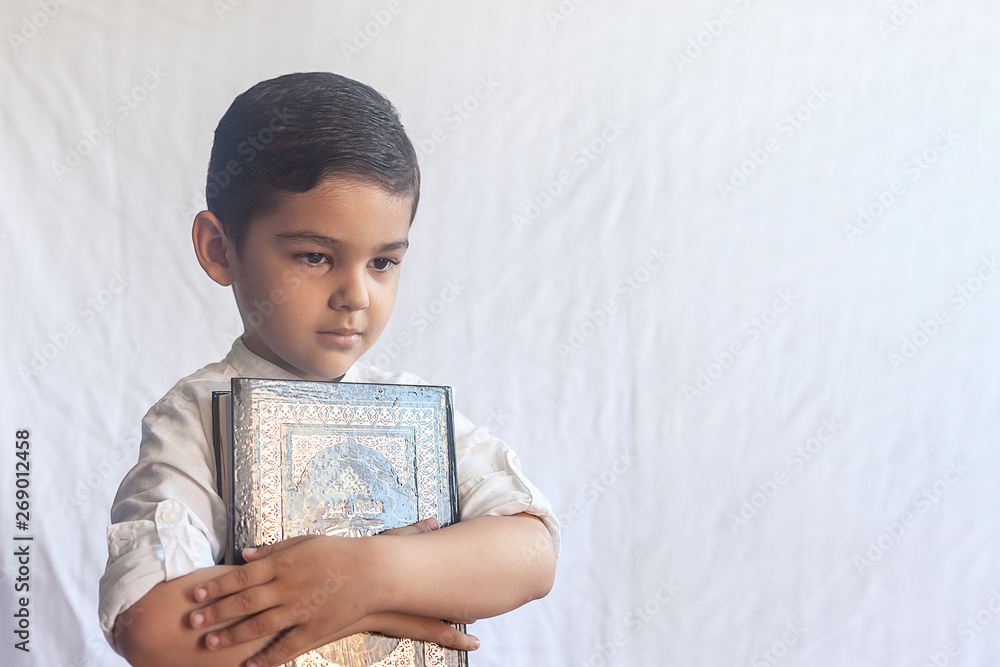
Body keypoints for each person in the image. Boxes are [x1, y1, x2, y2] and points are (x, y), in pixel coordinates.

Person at [98, 72, 559, 667]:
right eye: (315, 256)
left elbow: (532, 554)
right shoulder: (197, 418)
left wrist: (366, 576)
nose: (356, 295)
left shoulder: (415, 417)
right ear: (219, 248)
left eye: (384, 261)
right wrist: (364, 600)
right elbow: (152, 629)